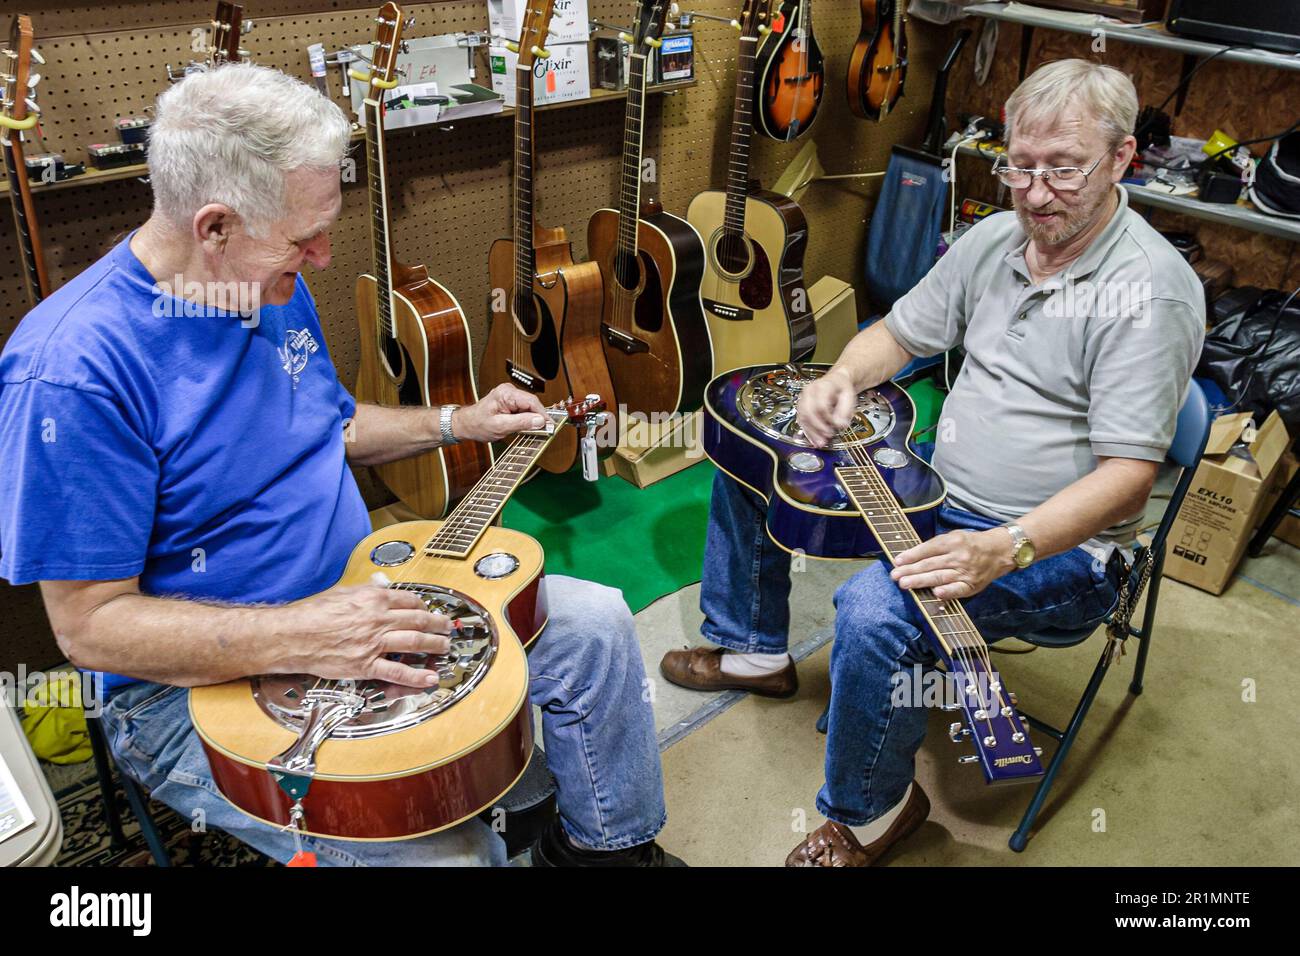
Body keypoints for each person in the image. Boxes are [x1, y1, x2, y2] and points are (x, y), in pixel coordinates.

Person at [0, 63, 679, 867]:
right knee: (452, 858)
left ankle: (607, 849)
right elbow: (89, 628)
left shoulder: (270, 282)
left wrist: (458, 418)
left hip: (363, 590)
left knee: (595, 624)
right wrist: (304, 634)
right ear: (213, 227)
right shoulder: (72, 372)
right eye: (302, 238)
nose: (323, 258)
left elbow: (332, 425)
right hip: (189, 691)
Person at [661, 59, 1205, 866]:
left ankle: (874, 813)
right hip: (940, 495)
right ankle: (754, 650)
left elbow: (1126, 481)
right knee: (757, 453)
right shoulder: (997, 237)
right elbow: (902, 334)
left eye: (1064, 170)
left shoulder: (1148, 294)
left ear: (1124, 159)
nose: (1036, 192)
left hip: (1059, 549)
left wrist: (1005, 547)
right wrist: (841, 377)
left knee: (874, 612)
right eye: (1020, 165)